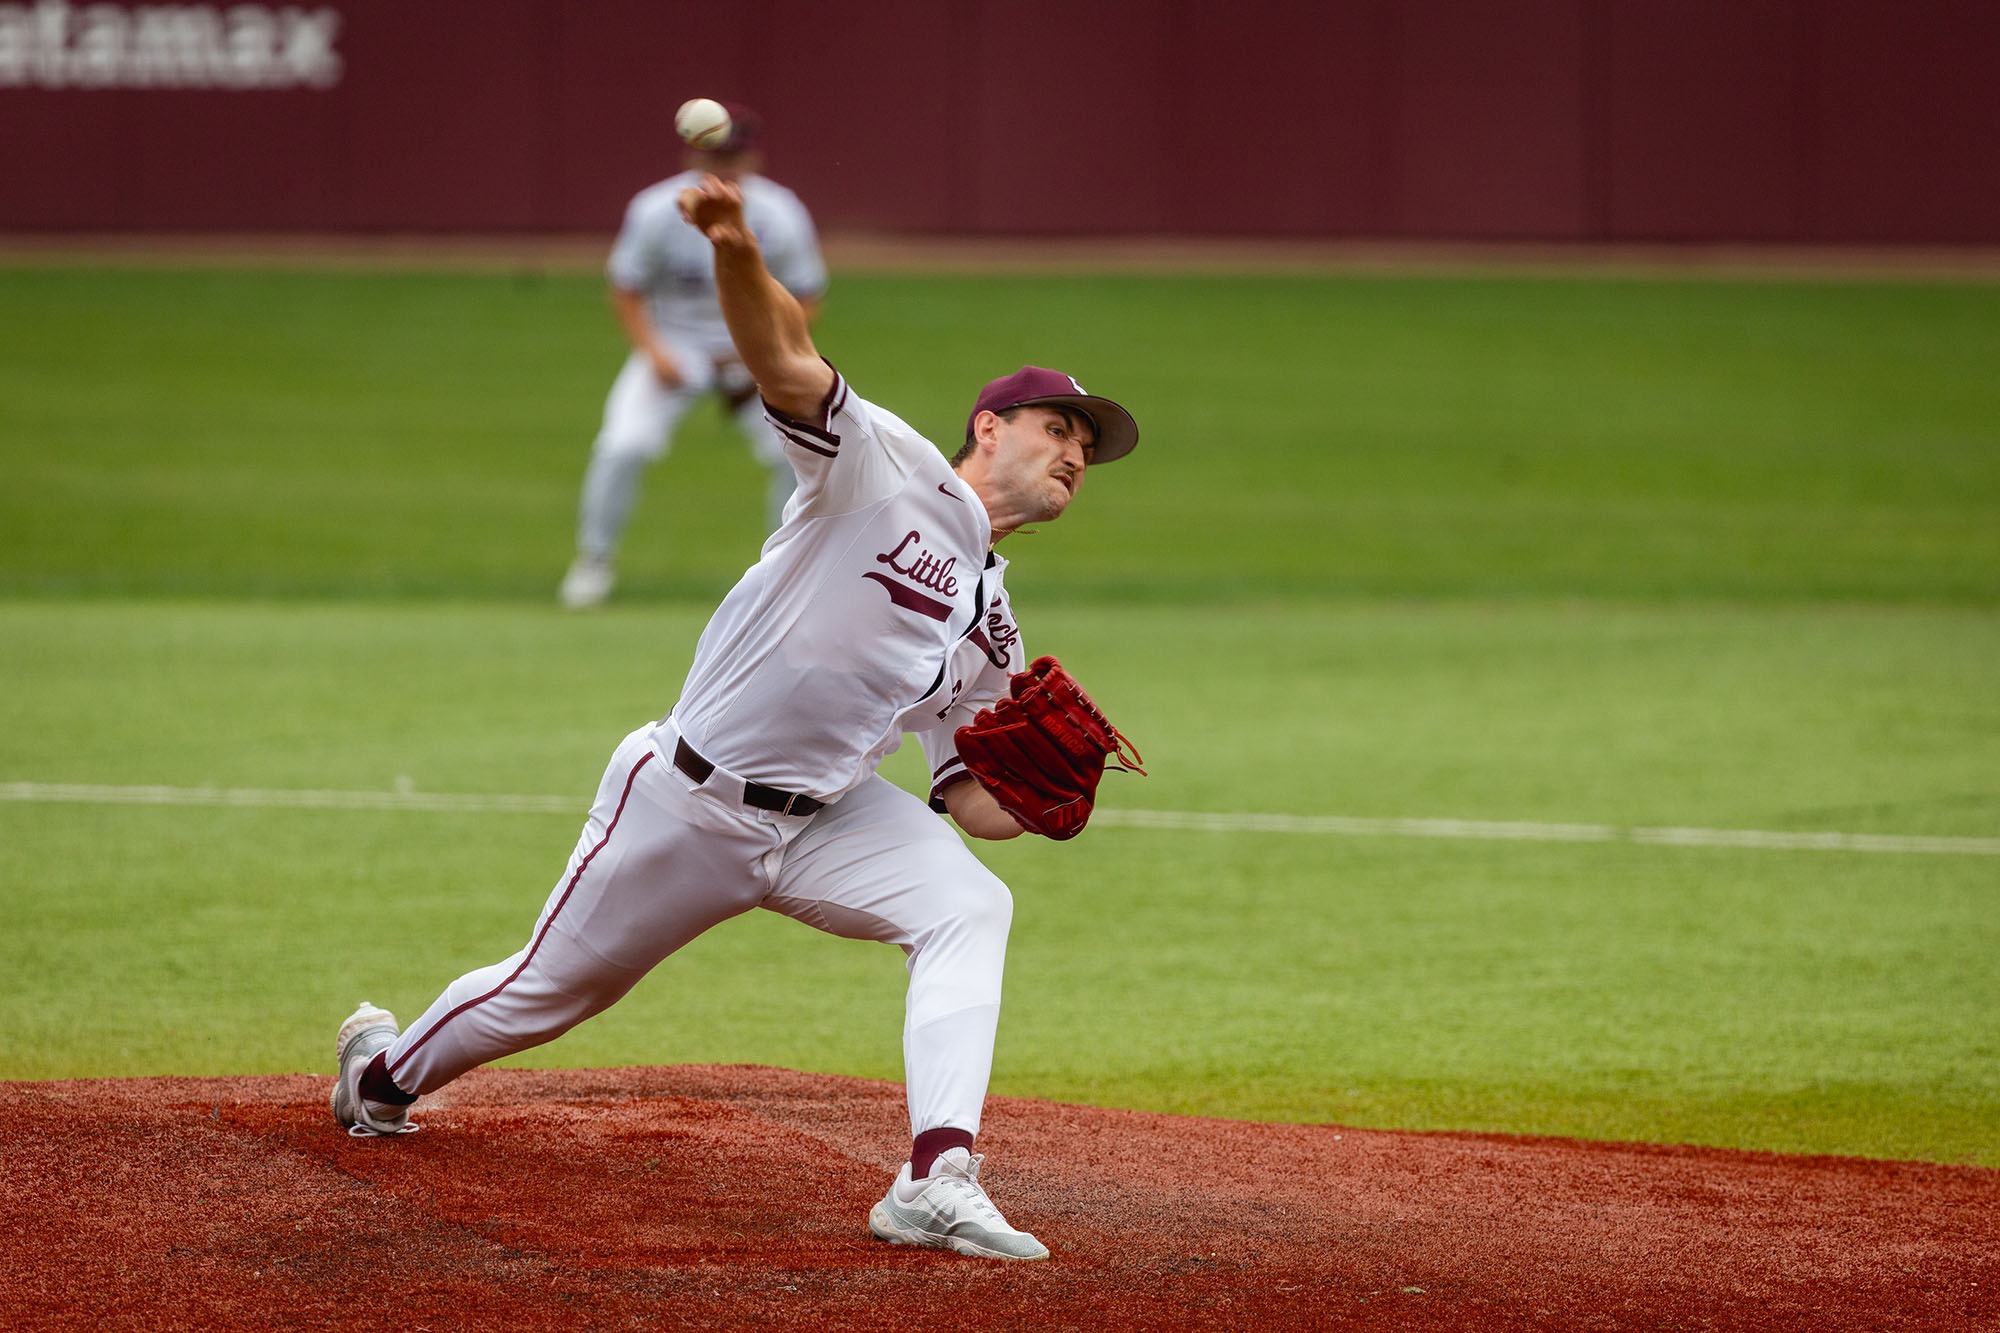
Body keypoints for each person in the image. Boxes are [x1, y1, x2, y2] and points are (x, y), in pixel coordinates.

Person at [334, 173, 1140, 1262]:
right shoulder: (883, 469)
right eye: (1059, 427)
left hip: (830, 818)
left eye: (1087, 444)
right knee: (545, 992)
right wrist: (729, 246)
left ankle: (935, 1175)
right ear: (988, 427)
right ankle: (381, 1073)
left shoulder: (993, 618)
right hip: (688, 798)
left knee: (969, 906)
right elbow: (784, 361)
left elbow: (963, 797)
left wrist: (1040, 802)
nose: (1076, 453)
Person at [559, 102, 827, 609]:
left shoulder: (780, 212)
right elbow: (626, 287)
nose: (726, 165)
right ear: (692, 153)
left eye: (735, 154)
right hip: (676, 347)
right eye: (716, 154)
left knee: (796, 457)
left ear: (753, 158)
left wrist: (772, 356)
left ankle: (783, 577)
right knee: (623, 446)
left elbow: (807, 294)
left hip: (756, 350)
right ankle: (593, 561)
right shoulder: (656, 209)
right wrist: (653, 352)